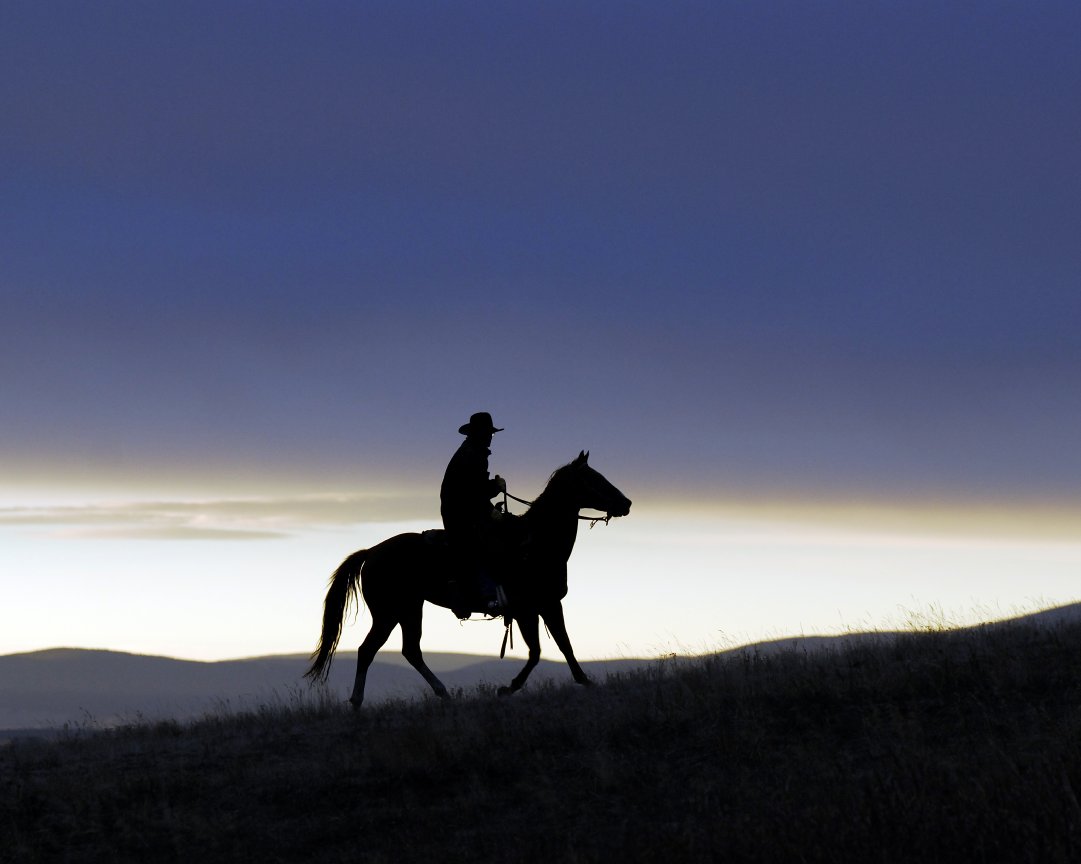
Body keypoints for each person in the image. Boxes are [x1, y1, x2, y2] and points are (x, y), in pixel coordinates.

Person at [440, 412, 507, 617]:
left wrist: (491, 492)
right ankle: (489, 598)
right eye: (488, 433)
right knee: (483, 546)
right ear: (478, 433)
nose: (489, 437)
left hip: (462, 508)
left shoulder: (473, 451)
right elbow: (472, 491)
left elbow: (474, 489)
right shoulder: (472, 454)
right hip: (461, 512)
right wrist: (493, 491)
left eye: (491, 434)